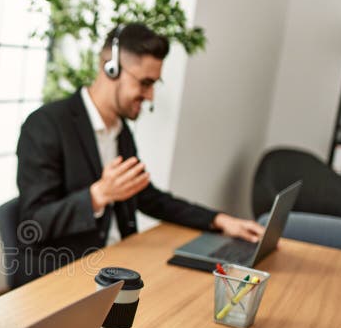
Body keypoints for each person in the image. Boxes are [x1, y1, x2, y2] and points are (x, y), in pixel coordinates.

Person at [16, 23, 263, 284]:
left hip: (119, 263)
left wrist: (219, 220)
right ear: (111, 70)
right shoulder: (46, 125)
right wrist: (97, 196)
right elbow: (33, 222)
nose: (150, 95)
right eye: (145, 83)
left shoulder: (119, 130)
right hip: (67, 274)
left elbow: (147, 196)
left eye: (154, 84)